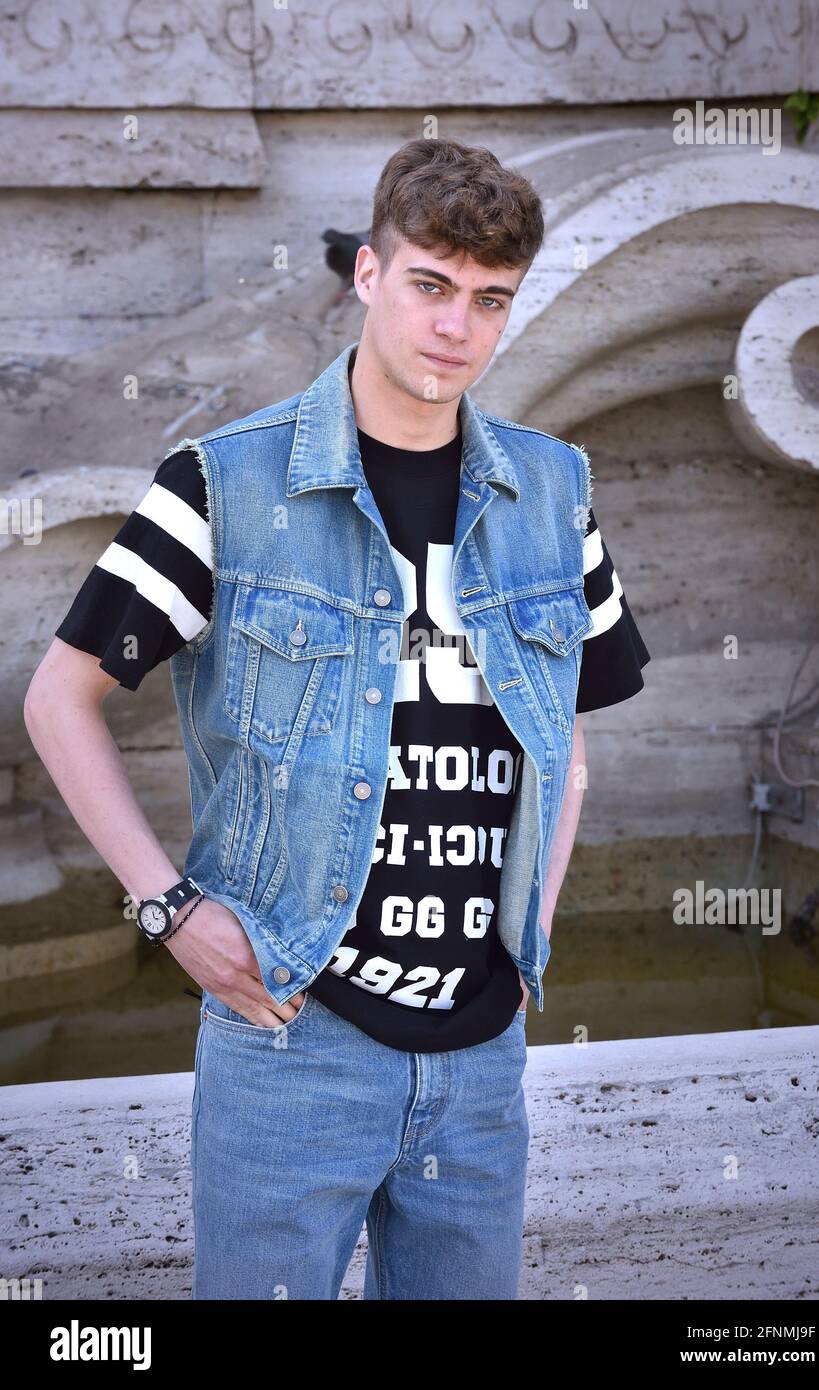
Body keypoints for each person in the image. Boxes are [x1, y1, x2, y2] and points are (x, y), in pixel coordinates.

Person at [25, 137, 650, 1299]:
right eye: (429, 284)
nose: (454, 325)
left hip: (480, 1055)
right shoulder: (223, 482)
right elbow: (61, 697)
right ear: (368, 275)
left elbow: (565, 744)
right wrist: (169, 910)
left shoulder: (554, 495)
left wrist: (532, 938)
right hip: (293, 1037)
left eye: (488, 300)